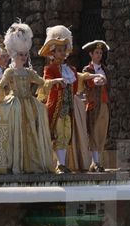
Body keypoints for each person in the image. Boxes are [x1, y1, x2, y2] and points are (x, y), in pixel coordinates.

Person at [0, 23, 54, 174]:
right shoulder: (10, 71)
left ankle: (31, 163)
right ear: (14, 54)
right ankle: (15, 163)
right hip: (15, 104)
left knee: (31, 131)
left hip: (29, 103)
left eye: (25, 54)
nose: (23, 57)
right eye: (20, 54)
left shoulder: (29, 72)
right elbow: (0, 86)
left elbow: (42, 82)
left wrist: (56, 81)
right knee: (14, 129)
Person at [37, 25, 88, 175]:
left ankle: (63, 163)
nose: (62, 52)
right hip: (56, 105)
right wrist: (57, 81)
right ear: (53, 52)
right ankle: (59, 164)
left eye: (63, 49)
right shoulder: (50, 68)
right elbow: (46, 83)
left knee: (66, 133)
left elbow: (79, 80)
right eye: (58, 50)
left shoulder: (71, 69)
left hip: (68, 106)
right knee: (58, 133)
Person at [77, 40, 110, 172]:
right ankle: (95, 162)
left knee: (102, 132)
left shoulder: (105, 69)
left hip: (104, 103)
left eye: (101, 53)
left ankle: (98, 161)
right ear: (91, 54)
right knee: (94, 132)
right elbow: (87, 84)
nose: (99, 55)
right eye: (96, 53)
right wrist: (95, 81)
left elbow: (109, 85)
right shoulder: (87, 70)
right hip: (93, 104)